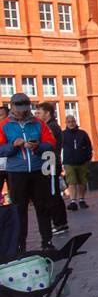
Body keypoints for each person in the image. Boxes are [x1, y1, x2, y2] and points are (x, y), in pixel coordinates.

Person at [0, 93, 57, 251]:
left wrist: (38, 146)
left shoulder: (38, 123)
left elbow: (51, 143)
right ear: (12, 107)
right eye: (19, 109)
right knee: (19, 210)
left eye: (25, 109)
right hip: (17, 173)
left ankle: (47, 242)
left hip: (38, 170)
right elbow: (1, 149)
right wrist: (13, 145)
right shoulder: (4, 125)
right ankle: (20, 245)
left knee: (43, 207)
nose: (22, 112)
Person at [36, 103, 70, 234]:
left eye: (39, 113)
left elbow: (48, 145)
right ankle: (60, 222)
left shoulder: (51, 127)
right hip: (49, 163)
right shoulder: (50, 126)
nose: (37, 115)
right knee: (53, 193)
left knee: (52, 194)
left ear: (47, 113)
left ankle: (59, 223)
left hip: (50, 163)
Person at [61, 113, 92, 210]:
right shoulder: (63, 134)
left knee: (82, 181)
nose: (71, 123)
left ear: (76, 122)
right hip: (69, 162)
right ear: (66, 123)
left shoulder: (82, 133)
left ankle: (81, 199)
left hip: (82, 161)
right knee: (71, 181)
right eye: (69, 122)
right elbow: (59, 147)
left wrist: (88, 157)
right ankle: (73, 201)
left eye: (73, 121)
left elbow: (88, 146)